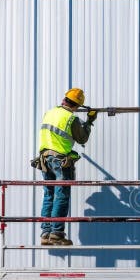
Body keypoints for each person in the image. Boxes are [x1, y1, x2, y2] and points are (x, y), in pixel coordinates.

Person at [36, 88, 97, 245]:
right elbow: (82, 138)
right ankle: (57, 233)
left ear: (65, 99)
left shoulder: (50, 112)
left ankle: (46, 233)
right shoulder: (71, 118)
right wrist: (89, 121)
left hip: (44, 158)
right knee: (61, 195)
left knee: (49, 194)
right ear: (77, 105)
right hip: (60, 161)